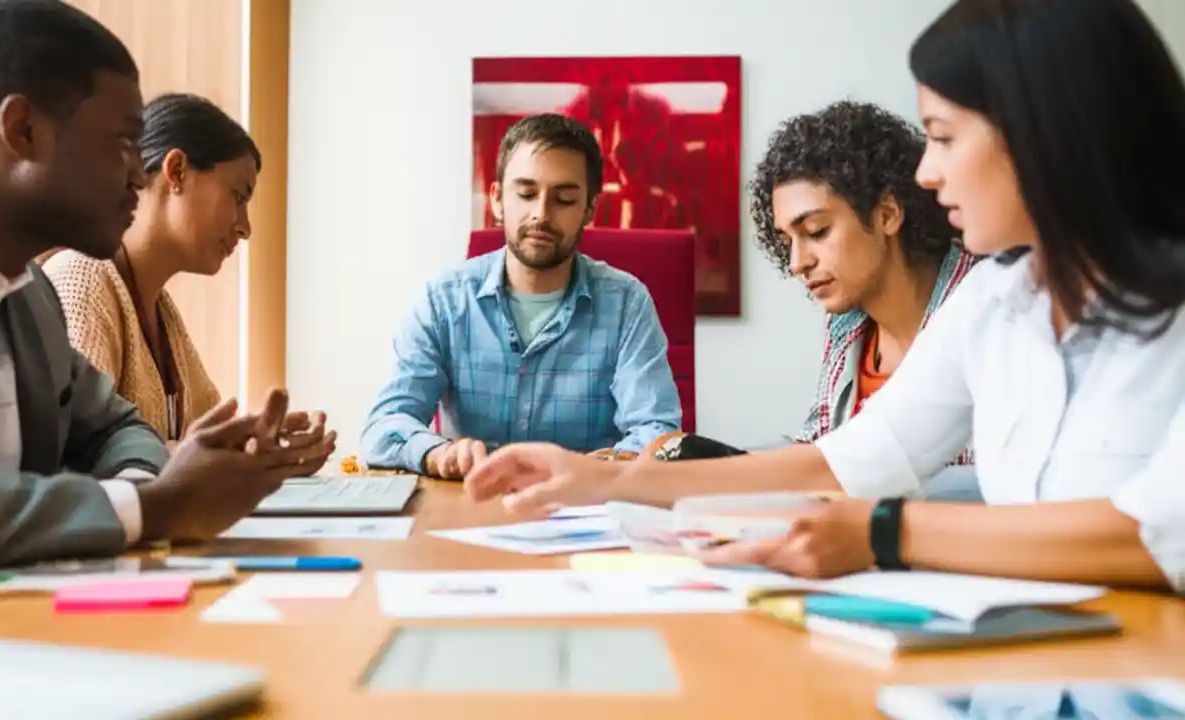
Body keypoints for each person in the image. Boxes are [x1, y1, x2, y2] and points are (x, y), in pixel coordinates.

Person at [466, 0, 1185, 593]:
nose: (928, 175)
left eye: (942, 137)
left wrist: (884, 532)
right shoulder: (1000, 298)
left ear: (1042, 133)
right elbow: (839, 462)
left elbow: (1158, 536)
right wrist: (598, 479)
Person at [0, 0, 332, 574]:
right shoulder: (69, 282)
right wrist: (147, 507)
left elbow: (116, 426)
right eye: (123, 142)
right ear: (23, 131)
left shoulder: (28, 292)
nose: (139, 172)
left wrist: (143, 488)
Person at [651, 101, 979, 500]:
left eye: (817, 230)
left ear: (888, 214)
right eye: (787, 240)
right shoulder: (848, 325)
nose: (797, 263)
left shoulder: (983, 303)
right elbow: (819, 453)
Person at [361, 113, 681, 480]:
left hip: (583, 510)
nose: (540, 214)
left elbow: (658, 433)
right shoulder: (443, 300)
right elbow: (386, 425)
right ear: (497, 200)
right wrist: (438, 454)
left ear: (589, 209)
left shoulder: (627, 303)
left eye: (563, 199)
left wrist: (580, 470)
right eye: (526, 194)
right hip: (468, 504)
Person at [43, 93, 332, 452]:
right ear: (177, 171)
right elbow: (79, 456)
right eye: (239, 197)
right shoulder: (81, 279)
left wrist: (263, 445)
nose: (245, 228)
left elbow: (201, 448)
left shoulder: (160, 309)